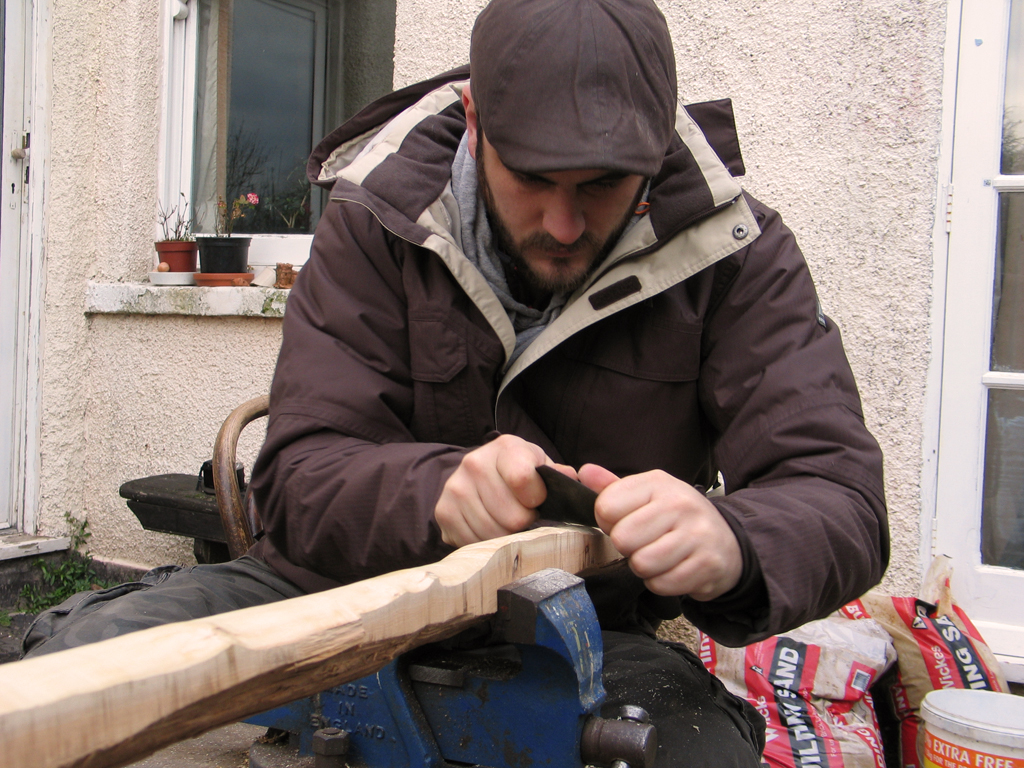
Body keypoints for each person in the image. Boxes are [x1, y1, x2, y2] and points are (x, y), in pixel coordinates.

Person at [24, 1, 888, 765]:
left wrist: (734, 538)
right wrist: (435, 493)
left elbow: (840, 496)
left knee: (693, 750)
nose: (562, 224)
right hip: (329, 589)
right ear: (475, 118)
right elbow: (296, 478)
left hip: (575, 632)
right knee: (73, 669)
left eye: (601, 187)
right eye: (534, 179)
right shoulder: (373, 217)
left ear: (659, 142)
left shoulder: (738, 254)